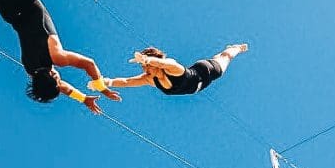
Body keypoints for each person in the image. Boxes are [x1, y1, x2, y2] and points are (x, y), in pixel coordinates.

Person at [98, 44, 248, 96]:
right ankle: (225, 51)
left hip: (206, 72)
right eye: (143, 66)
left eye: (146, 65)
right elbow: (127, 81)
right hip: (198, 79)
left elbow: (163, 64)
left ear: (156, 62)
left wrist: (147, 59)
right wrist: (107, 82)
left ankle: (235, 48)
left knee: (226, 57)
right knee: (218, 56)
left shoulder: (171, 66)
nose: (144, 68)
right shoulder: (149, 78)